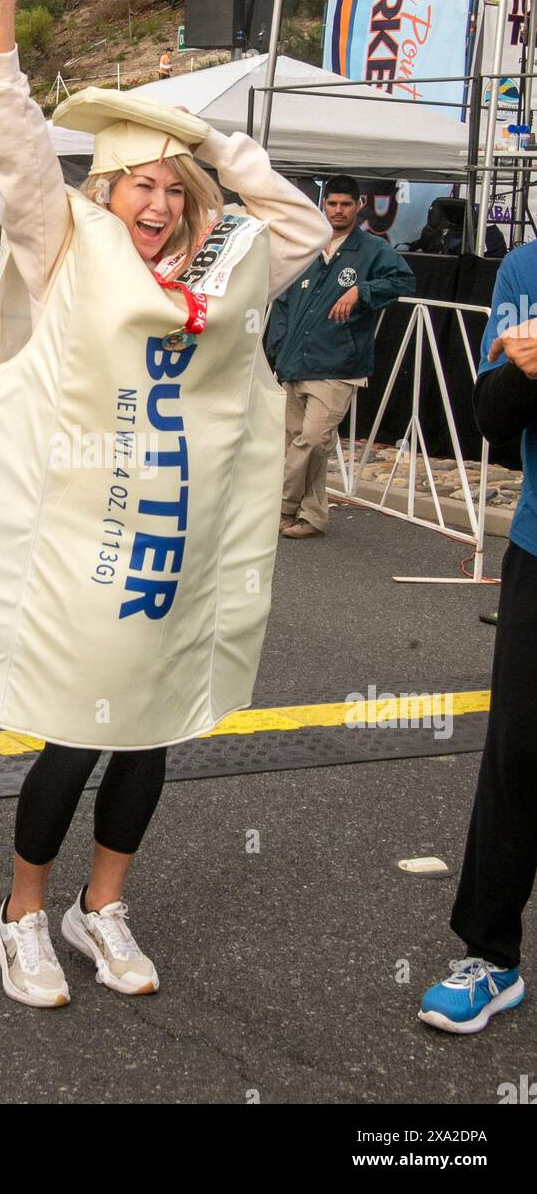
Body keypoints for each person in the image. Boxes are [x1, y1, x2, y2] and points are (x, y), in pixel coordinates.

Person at [0, 0, 330, 1008]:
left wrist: (212, 143)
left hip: (176, 551)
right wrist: (1, 8)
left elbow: (297, 231)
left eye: (172, 187)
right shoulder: (66, 248)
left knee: (152, 732)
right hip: (79, 551)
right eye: (136, 183)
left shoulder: (220, 278)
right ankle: (19, 914)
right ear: (103, 193)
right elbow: (15, 148)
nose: (154, 202)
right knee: (74, 730)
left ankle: (101, 906)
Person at [418, 246, 537, 1034]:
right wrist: (524, 369)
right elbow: (491, 421)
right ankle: (491, 959)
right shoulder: (525, 268)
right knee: (519, 755)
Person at [266, 174, 415, 540]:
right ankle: (311, 516)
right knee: (298, 442)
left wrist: (362, 291)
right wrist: (277, 347)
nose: (337, 210)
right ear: (323, 205)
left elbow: (404, 281)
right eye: (331, 204)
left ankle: (279, 507)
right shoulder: (308, 245)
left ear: (359, 205)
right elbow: (282, 298)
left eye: (345, 204)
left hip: (338, 363)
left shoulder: (371, 250)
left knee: (314, 439)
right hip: (294, 358)